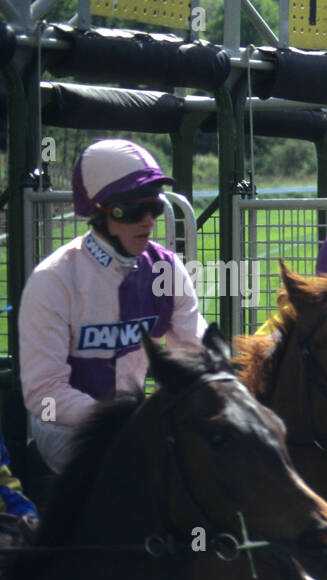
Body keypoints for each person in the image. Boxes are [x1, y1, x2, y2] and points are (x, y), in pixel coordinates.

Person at [19, 139, 206, 473]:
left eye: (155, 207)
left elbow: (194, 352)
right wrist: (126, 421)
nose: (148, 222)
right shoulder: (53, 279)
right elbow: (43, 395)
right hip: (65, 429)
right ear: (101, 211)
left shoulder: (166, 269)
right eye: (134, 210)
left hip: (135, 425)